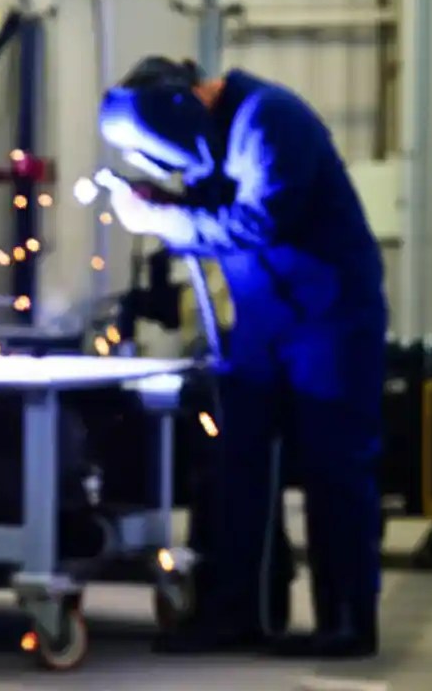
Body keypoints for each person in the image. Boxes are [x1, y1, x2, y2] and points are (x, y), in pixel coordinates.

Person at [96, 57, 386, 658]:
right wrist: (163, 198)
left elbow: (257, 220)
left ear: (191, 99)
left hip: (328, 322)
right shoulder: (214, 133)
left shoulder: (269, 119)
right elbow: (212, 200)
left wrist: (163, 219)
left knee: (335, 471)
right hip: (261, 325)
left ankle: (348, 623)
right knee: (237, 467)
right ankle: (239, 614)